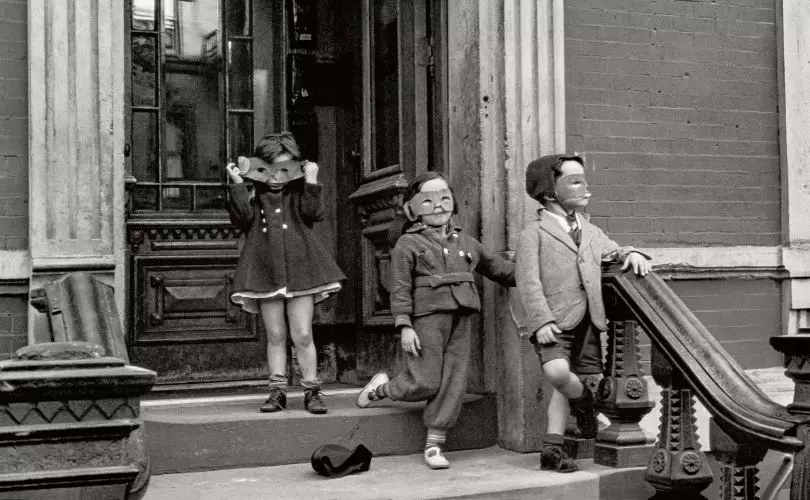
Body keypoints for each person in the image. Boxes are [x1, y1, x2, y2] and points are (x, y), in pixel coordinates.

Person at [355, 171, 515, 469]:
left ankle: (434, 444)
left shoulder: (466, 241)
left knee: (454, 379)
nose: (438, 206)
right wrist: (404, 325)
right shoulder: (408, 244)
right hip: (426, 319)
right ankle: (382, 389)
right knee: (426, 380)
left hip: (463, 315)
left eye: (444, 198)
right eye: (428, 201)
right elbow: (400, 288)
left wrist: (536, 272)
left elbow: (500, 269)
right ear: (413, 209)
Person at [515, 154, 651, 473]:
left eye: (584, 180)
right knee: (558, 374)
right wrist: (541, 320)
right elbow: (527, 281)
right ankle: (586, 404)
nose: (585, 187)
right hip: (553, 321)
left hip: (588, 320)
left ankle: (552, 449)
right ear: (550, 192)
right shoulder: (532, 234)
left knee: (571, 382)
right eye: (574, 181)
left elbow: (611, 249)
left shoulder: (589, 230)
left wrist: (628, 253)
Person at [225, 132, 346, 415]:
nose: (276, 177)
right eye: (268, 169)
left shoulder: (299, 190)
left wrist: (312, 179)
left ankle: (311, 390)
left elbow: (313, 213)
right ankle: (277, 391)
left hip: (301, 268)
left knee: (303, 333)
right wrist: (238, 183)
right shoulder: (254, 192)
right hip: (265, 270)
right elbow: (241, 219)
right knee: (276, 334)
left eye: (284, 169)